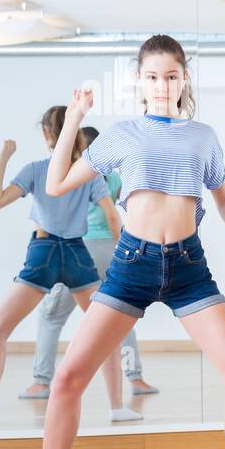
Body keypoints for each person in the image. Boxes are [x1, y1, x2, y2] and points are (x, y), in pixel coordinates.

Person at [0, 34, 225, 449]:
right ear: (139, 82)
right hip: (132, 264)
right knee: (67, 378)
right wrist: (75, 122)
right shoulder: (123, 135)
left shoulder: (202, 136)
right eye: (152, 76)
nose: (163, 84)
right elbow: (59, 182)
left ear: (184, 78)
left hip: (189, 267)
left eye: (171, 75)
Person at [0, 107, 138, 429]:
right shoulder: (86, 174)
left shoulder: (37, 169)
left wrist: (3, 158)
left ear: (46, 134)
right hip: (79, 254)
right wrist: (124, 253)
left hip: (44, 250)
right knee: (105, 332)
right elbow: (112, 217)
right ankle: (117, 407)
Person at [23, 125, 158, 402]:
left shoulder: (73, 175)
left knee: (51, 316)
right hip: (113, 248)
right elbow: (123, 214)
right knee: (120, 318)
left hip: (80, 250)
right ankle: (136, 378)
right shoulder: (114, 179)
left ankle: (41, 381)